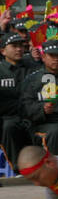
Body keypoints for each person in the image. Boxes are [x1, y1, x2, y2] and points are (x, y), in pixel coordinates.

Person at [0, 32, 32, 165]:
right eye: (14, 46)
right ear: (3, 51)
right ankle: (17, 167)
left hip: (32, 115)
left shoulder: (33, 67)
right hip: (8, 117)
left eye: (21, 46)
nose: (19, 49)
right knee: (8, 127)